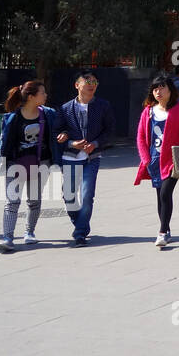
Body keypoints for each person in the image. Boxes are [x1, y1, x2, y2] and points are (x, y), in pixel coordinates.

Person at [0, 81, 64, 253]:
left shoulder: (49, 114)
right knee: (12, 202)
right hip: (15, 164)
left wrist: (63, 135)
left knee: (34, 201)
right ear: (31, 97)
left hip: (40, 163)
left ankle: (29, 232)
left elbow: (60, 129)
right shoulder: (13, 117)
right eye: (42, 93)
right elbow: (3, 143)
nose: (46, 96)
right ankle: (7, 238)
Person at [133, 74, 179, 248]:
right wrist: (145, 158)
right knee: (159, 197)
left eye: (162, 87)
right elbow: (140, 136)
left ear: (170, 90)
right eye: (155, 89)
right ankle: (166, 229)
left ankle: (162, 232)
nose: (158, 91)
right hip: (154, 160)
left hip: (173, 159)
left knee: (165, 194)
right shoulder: (148, 111)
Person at [58, 70, 117, 246]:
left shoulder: (103, 106)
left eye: (95, 82)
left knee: (87, 195)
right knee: (68, 196)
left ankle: (80, 233)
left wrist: (96, 143)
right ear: (77, 85)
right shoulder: (66, 108)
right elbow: (57, 132)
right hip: (70, 157)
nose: (91, 85)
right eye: (87, 81)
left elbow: (110, 130)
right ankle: (80, 222)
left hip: (92, 157)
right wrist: (69, 142)